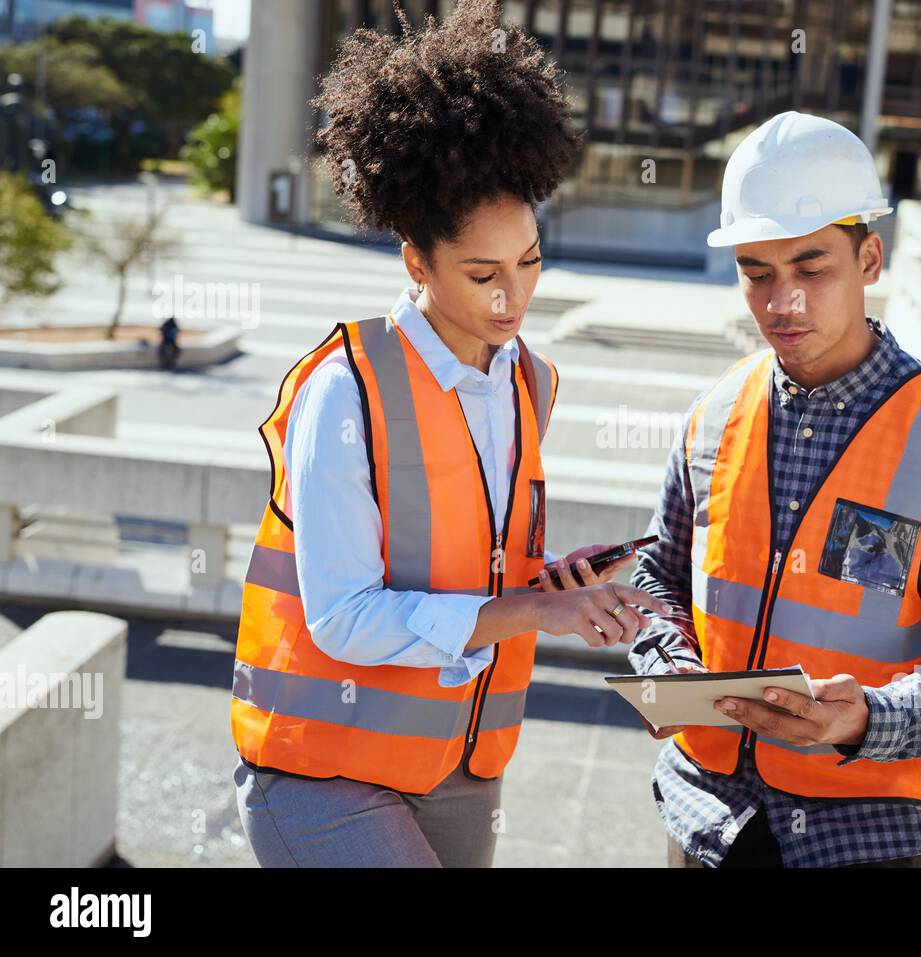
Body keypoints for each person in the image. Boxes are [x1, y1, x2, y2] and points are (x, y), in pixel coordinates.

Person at [230, 0, 671, 868]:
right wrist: (539, 610)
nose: (513, 298)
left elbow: (464, 570)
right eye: (482, 273)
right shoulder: (344, 391)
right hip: (322, 768)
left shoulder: (530, 383)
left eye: (530, 262)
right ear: (415, 260)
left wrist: (551, 581)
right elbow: (345, 617)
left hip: (464, 765)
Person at [627, 111, 921, 868]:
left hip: (861, 838)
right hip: (704, 816)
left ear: (869, 256)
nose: (783, 303)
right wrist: (665, 663)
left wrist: (866, 720)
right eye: (758, 273)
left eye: (812, 269)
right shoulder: (714, 415)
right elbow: (659, 575)